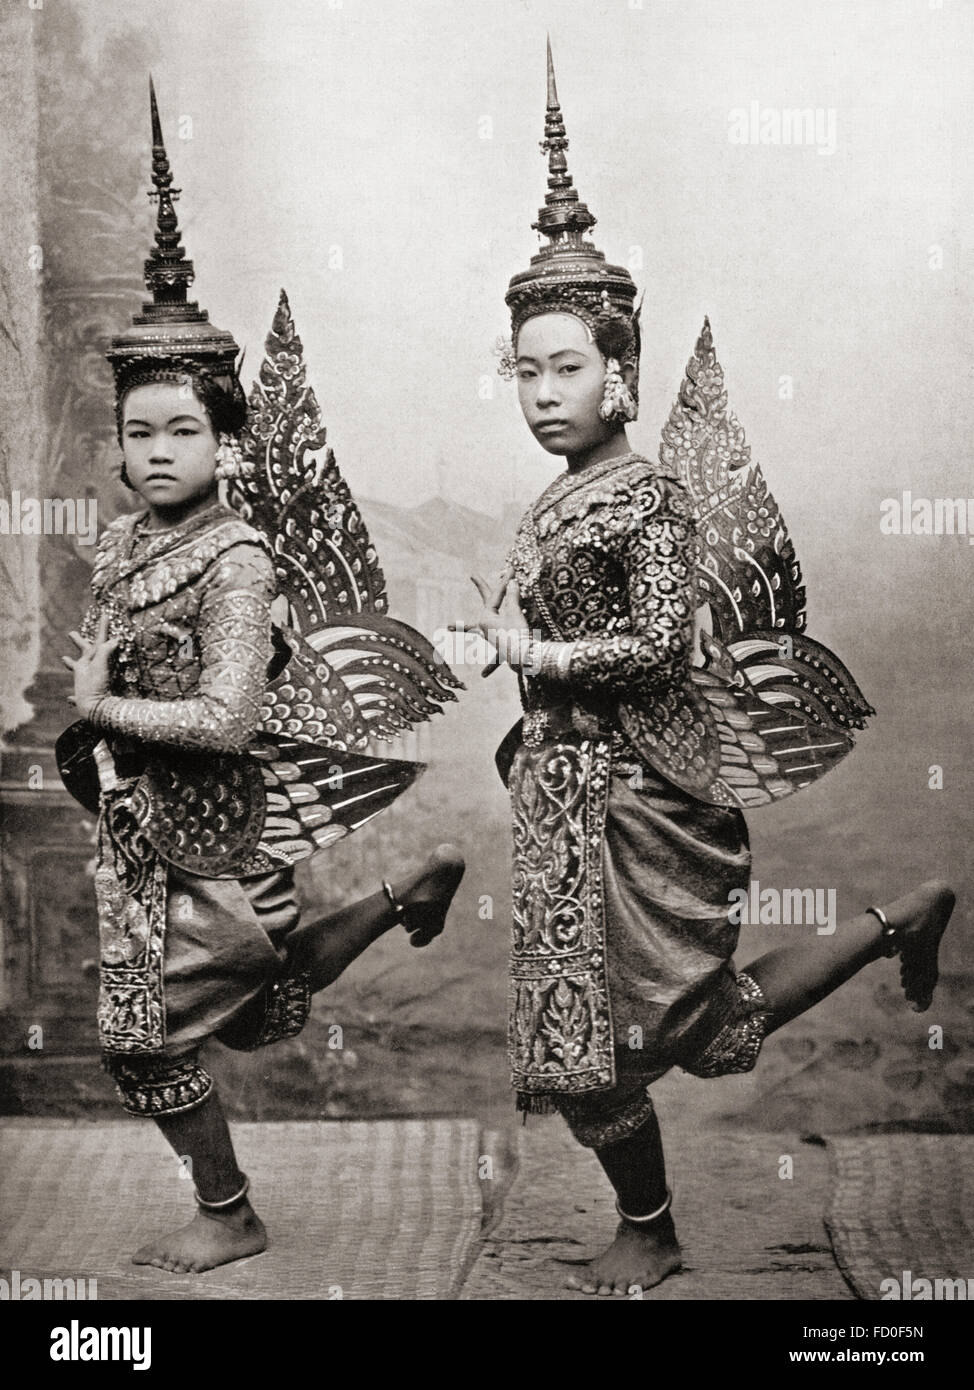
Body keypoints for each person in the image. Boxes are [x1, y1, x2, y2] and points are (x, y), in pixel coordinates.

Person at [457, 43, 955, 1298]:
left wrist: (542, 652)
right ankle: (654, 1222)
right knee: (581, 1053)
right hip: (565, 798)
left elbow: (661, 643)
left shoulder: (652, 501)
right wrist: (515, 685)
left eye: (565, 366)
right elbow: (551, 653)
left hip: (645, 799)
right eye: (523, 368)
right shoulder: (554, 500)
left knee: (695, 1026)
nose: (540, 392)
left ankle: (899, 917)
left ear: (622, 372)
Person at [58, 84, 464, 1275]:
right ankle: (400, 898)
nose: (156, 455)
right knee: (259, 997)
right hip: (143, 827)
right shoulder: (125, 542)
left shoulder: (234, 559)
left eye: (181, 432)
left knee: (147, 1042)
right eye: (139, 434)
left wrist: (103, 710)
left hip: (215, 820)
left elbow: (230, 719)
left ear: (227, 441)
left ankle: (228, 1209)